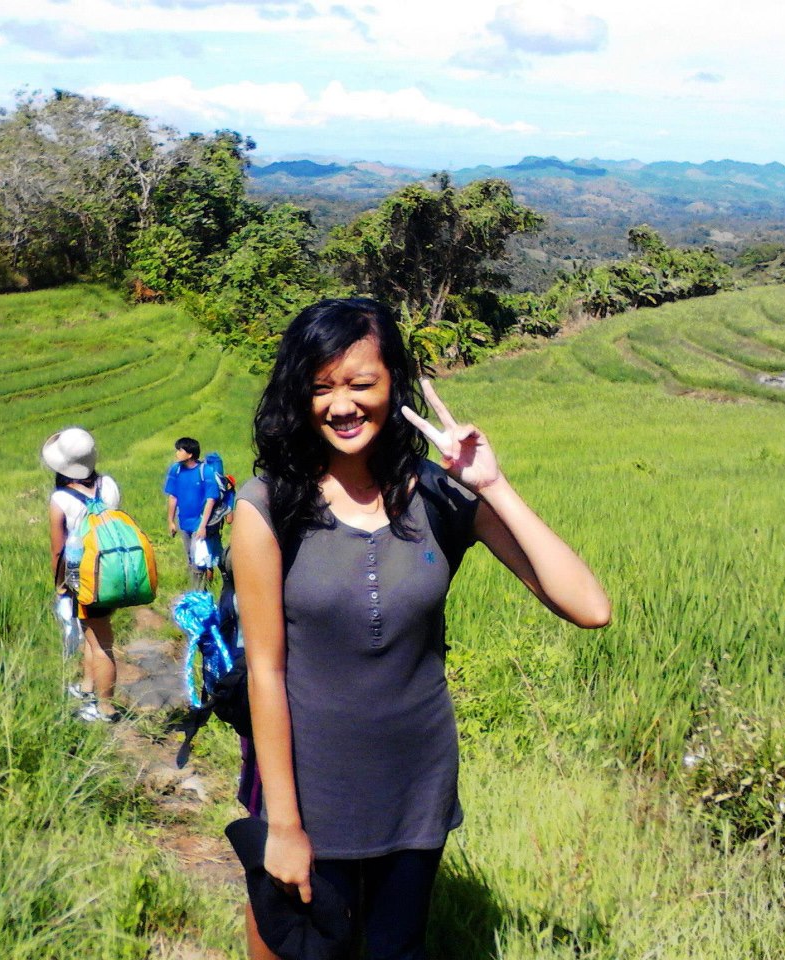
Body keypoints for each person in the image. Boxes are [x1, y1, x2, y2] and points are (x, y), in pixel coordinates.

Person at [231, 298, 611, 960]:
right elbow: (266, 670)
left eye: (360, 383)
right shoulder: (269, 507)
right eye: (320, 387)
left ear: (395, 385)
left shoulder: (439, 495)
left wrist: (492, 484)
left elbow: (588, 606)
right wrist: (284, 825)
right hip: (311, 794)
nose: (340, 406)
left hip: (414, 794)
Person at [42, 426, 121, 723]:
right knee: (92, 631)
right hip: (111, 569)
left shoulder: (61, 499)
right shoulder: (109, 485)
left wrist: (60, 585)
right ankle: (88, 687)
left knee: (101, 641)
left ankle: (105, 707)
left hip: (81, 574)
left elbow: (57, 551)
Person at [164, 437, 227, 589]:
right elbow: (173, 496)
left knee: (198, 560)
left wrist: (203, 526)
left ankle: (197, 594)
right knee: (191, 558)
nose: (177, 453)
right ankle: (201, 590)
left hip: (200, 523)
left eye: (180, 450)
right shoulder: (176, 470)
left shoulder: (205, 471)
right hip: (184, 522)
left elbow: (211, 500)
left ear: (190, 454)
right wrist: (171, 521)